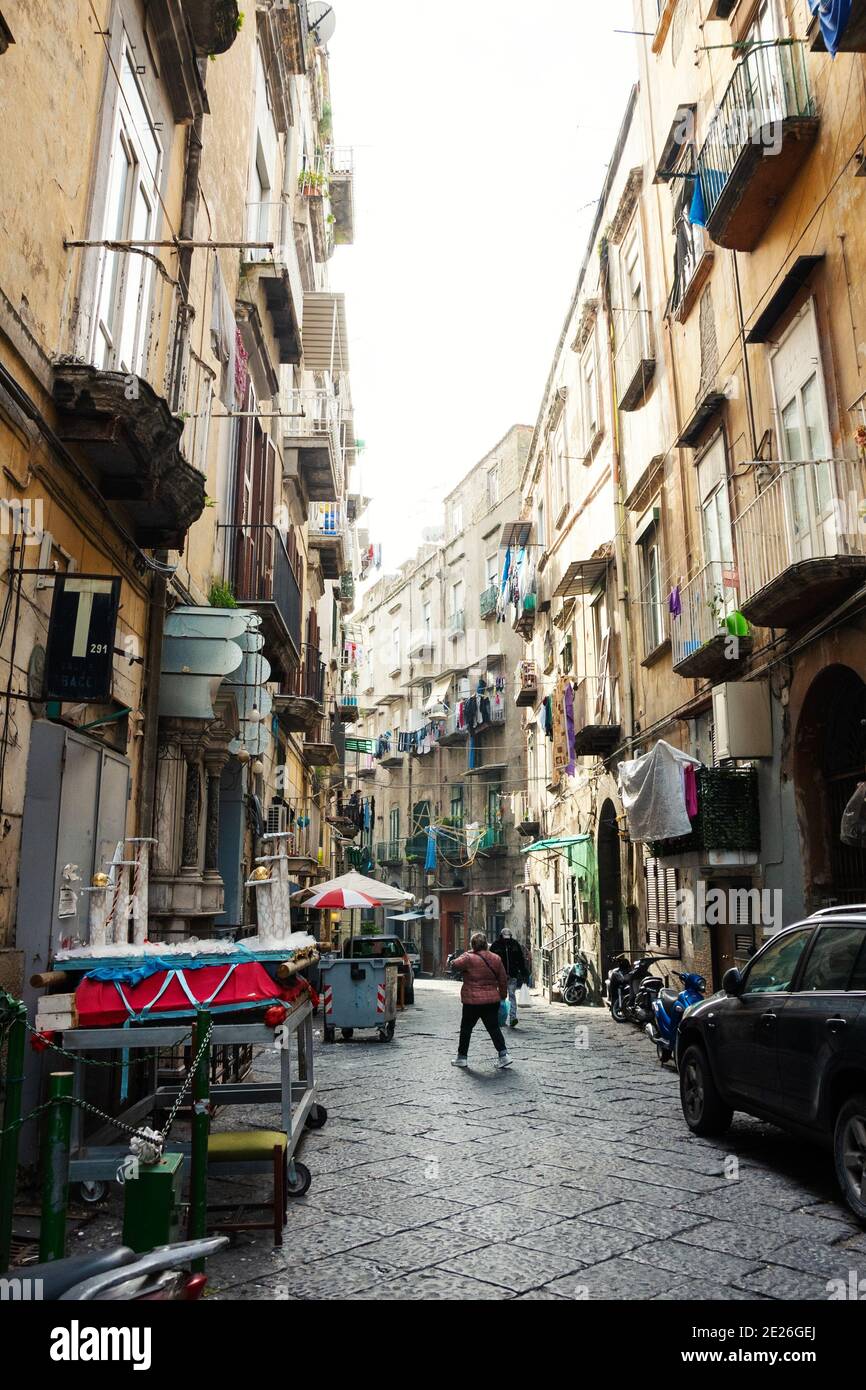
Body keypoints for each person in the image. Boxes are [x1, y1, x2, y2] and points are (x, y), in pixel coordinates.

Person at [449, 932, 513, 1069]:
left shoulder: (468, 957)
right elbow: (503, 979)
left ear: (472, 944)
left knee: (466, 1029)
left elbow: (453, 965)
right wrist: (502, 996)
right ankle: (504, 1055)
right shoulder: (496, 958)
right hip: (491, 1000)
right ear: (485, 944)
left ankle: (462, 1058)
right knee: (494, 1028)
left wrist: (465, 954)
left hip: (472, 1001)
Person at [490, 928, 529, 1028]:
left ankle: (512, 1018)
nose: (506, 940)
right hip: (499, 976)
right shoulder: (495, 945)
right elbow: (490, 961)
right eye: (505, 938)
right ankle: (500, 1018)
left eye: (508, 938)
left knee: (512, 995)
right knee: (500, 997)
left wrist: (524, 972)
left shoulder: (515, 945)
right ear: (501, 936)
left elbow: (520, 959)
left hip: (512, 975)